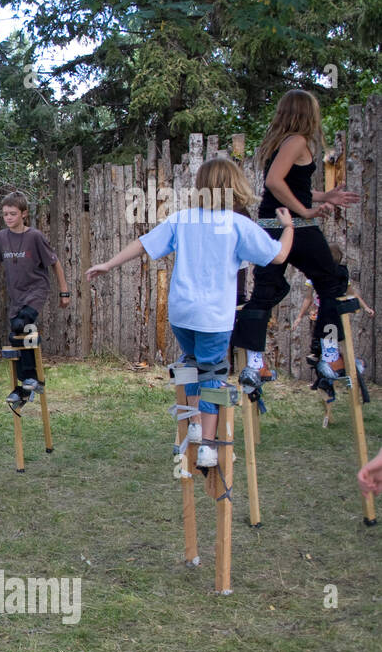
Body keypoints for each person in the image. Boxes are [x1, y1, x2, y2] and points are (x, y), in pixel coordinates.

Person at [87, 158, 294, 468]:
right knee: (212, 373)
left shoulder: (184, 218)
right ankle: (208, 447)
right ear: (233, 185)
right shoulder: (237, 223)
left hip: (181, 313)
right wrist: (289, 227)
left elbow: (143, 244)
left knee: (192, 365)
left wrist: (108, 264)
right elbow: (278, 256)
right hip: (212, 317)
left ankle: (195, 425)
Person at [232, 90, 361, 400]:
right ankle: (328, 355)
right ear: (307, 114)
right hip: (295, 227)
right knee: (331, 282)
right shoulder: (298, 141)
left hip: (270, 226)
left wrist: (324, 197)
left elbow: (291, 186)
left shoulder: (280, 142)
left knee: (266, 290)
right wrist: (303, 211)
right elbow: (275, 183)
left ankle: (254, 364)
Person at [0, 192, 71, 411]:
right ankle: (25, 386)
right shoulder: (0, 238)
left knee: (23, 324)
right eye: (5, 214)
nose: (8, 218)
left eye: (13, 214)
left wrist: (64, 292)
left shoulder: (35, 237)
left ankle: (31, 379)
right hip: (16, 295)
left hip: (36, 290)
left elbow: (54, 263)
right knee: (16, 336)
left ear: (24, 214)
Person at [291, 246, 373, 404]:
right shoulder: (322, 275)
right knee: (320, 347)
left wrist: (366, 307)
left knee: (329, 349)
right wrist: (300, 316)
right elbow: (309, 299)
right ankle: (326, 376)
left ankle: (328, 380)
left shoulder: (333, 275)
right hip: (321, 314)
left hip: (330, 316)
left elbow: (352, 294)